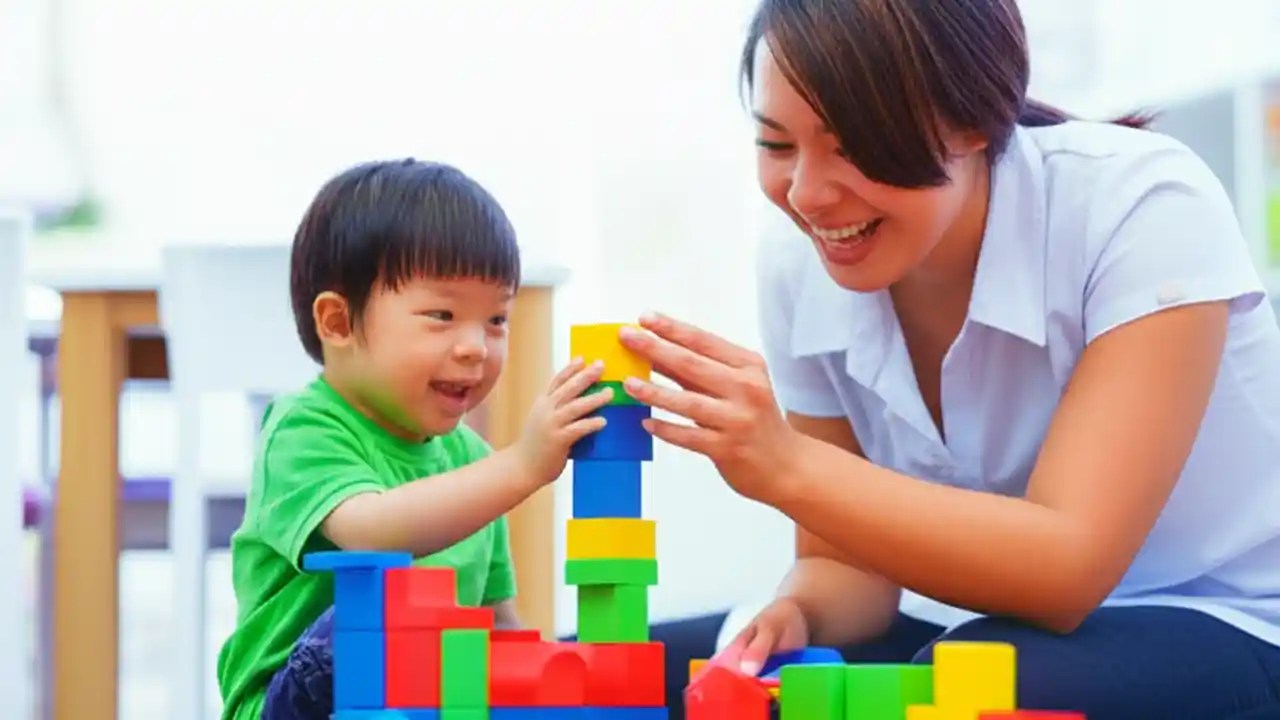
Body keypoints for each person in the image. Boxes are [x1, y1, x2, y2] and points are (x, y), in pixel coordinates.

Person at [630, 1, 1280, 718]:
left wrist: (781, 464)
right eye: (776, 145)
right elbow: (844, 565)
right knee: (657, 674)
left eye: (851, 145)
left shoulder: (1140, 204)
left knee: (967, 687)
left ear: (975, 120)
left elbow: (1065, 571)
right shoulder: (796, 261)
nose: (807, 195)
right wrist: (796, 614)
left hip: (1221, 617)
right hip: (969, 625)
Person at [215, 159, 614, 720]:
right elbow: (371, 532)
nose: (476, 345)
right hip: (305, 700)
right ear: (337, 322)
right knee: (368, 623)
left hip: (430, 701)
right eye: (442, 315)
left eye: (496, 319)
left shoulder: (472, 465)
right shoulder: (303, 429)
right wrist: (522, 466)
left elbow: (499, 624)